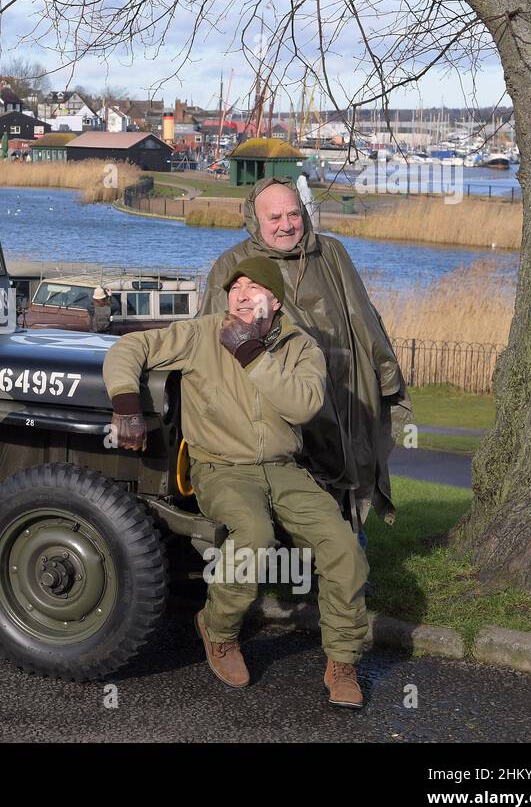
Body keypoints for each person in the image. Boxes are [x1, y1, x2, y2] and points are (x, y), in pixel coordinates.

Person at [105, 257, 369, 708]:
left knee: (344, 549)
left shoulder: (300, 346)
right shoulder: (202, 333)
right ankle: (219, 629)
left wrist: (250, 355)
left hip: (284, 468)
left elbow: (303, 405)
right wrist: (126, 404)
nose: (242, 295)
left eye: (253, 288)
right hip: (221, 467)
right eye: (236, 288)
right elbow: (130, 349)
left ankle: (342, 662)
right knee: (254, 535)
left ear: (276, 301)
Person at [200, 176, 411, 531]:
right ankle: (294, 564)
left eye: (293, 214)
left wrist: (386, 377)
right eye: (275, 218)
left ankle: (349, 562)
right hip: (275, 398)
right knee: (291, 479)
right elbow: (211, 333)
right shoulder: (232, 264)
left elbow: (364, 317)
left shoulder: (331, 253)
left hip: (344, 390)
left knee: (348, 476)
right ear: (255, 219)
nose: (287, 225)